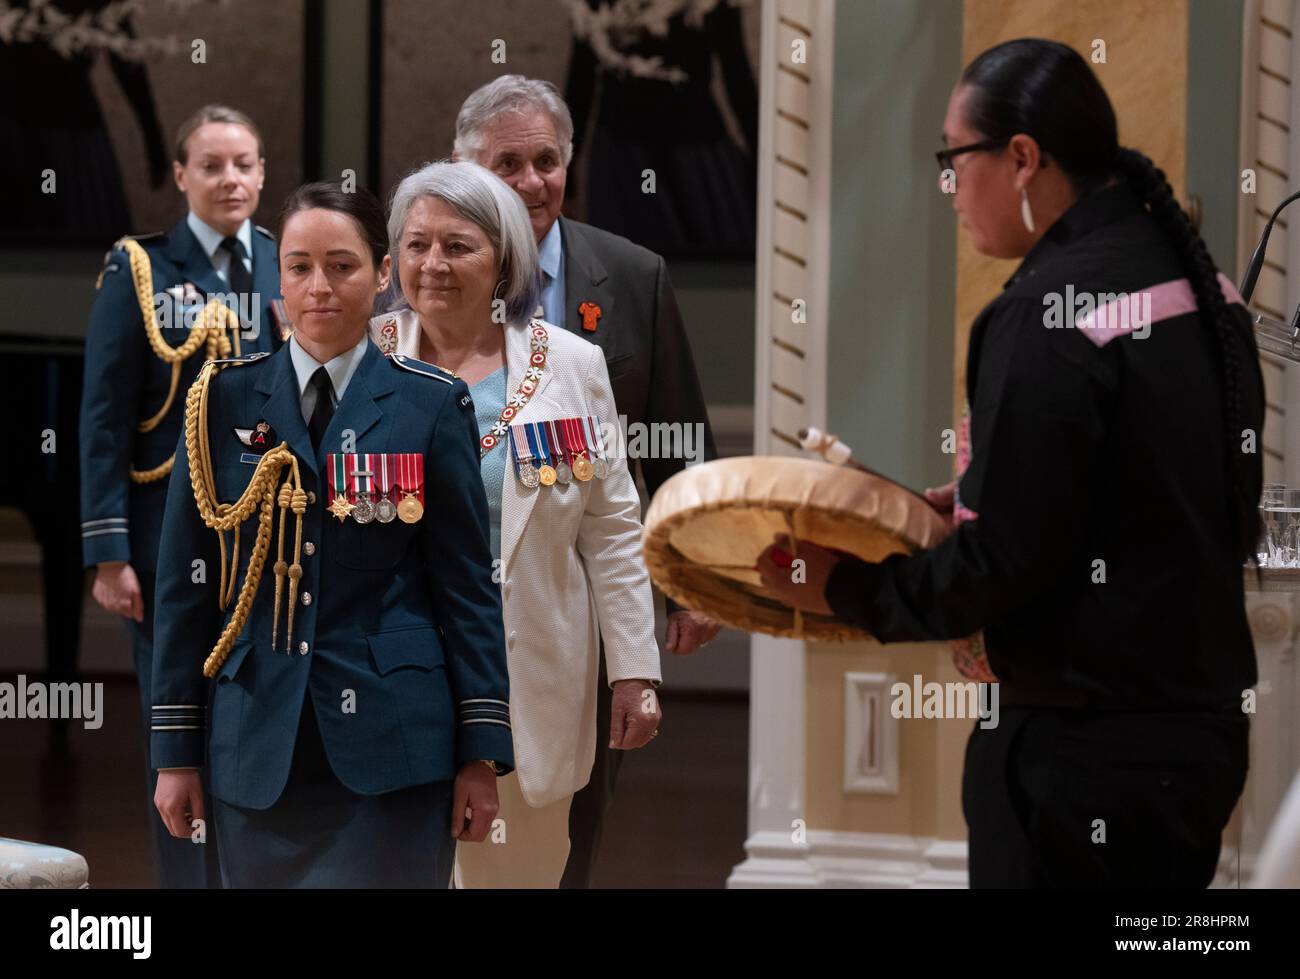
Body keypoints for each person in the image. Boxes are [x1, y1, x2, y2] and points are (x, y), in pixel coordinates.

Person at [758, 38, 1265, 889]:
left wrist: (843, 586)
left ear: (1022, 157)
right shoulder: (1204, 288)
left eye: (954, 159)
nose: (948, 190)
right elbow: (1182, 491)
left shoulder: (1045, 312)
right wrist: (1005, 483)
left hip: (1081, 761)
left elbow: (1003, 567)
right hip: (1196, 739)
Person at [150, 181, 512, 888]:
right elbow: (182, 590)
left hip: (394, 752)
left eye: (342, 265)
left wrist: (482, 751)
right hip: (255, 745)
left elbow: (468, 591)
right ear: (277, 277)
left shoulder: (430, 404)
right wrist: (174, 750)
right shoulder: (220, 399)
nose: (319, 286)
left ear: (382, 274)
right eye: (299, 265)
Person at [453, 74, 717, 887]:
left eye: (547, 161)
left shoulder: (633, 275)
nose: (532, 183)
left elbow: (678, 436)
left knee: (573, 818)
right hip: (456, 601)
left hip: (585, 607)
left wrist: (695, 579)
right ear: (465, 168)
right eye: (508, 164)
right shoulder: (428, 280)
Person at [371, 160, 662, 887]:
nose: (432, 263)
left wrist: (634, 670)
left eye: (457, 245)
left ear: (504, 257)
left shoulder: (571, 365)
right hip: (387, 698)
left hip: (531, 697)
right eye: (416, 244)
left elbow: (613, 528)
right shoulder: (360, 360)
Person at [79, 103, 281, 889]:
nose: (230, 179)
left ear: (263, 174)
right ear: (180, 175)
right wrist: (107, 552)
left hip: (265, 530)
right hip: (168, 533)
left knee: (256, 713)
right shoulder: (140, 266)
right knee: (179, 726)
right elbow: (101, 414)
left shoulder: (284, 261)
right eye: (212, 165)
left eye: (244, 164)